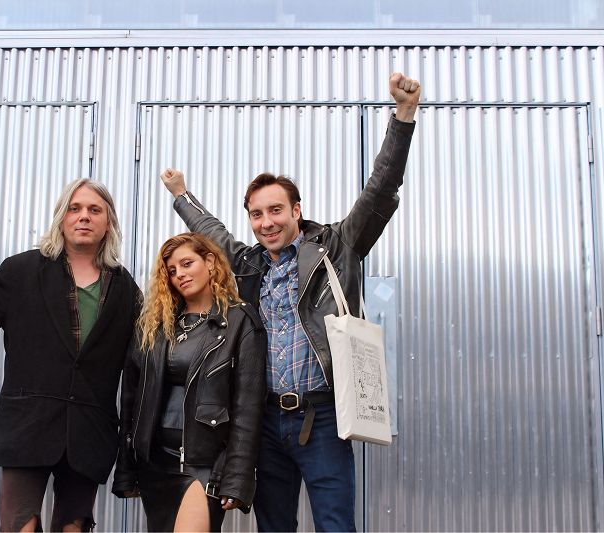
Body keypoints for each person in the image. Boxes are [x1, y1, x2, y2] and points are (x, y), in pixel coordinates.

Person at [158, 73, 421, 532]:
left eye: (276, 210)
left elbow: (380, 190)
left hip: (321, 419)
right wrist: (182, 195)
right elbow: (212, 233)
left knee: (335, 525)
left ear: (296, 210)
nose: (266, 222)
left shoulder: (336, 246)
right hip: (265, 420)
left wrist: (403, 116)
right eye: (256, 214)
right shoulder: (248, 264)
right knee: (274, 526)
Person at [0, 179, 141, 532]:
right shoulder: (21, 270)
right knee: (21, 526)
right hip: (27, 428)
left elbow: (143, 361)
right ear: (61, 217)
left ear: (108, 222)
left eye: (94, 210)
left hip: (89, 433)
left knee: (73, 528)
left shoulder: (126, 288)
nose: (84, 216)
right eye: (75, 208)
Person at [112, 232, 267, 532]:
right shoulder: (155, 326)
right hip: (154, 462)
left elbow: (248, 407)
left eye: (187, 264)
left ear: (209, 262)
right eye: (172, 271)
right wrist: (127, 468)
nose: (179, 275)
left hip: (202, 463)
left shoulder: (239, 321)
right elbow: (131, 400)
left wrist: (237, 477)